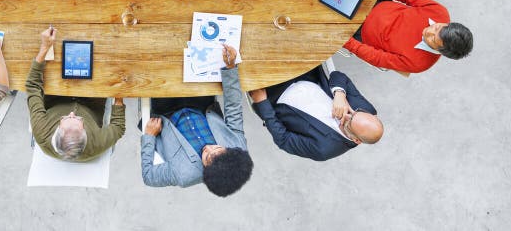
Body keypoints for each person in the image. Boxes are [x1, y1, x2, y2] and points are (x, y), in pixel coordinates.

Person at [141, 44, 253, 196]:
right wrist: (231, 68)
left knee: (157, 59)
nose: (208, 148)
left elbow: (148, 176)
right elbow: (233, 107)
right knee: (192, 53)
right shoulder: (238, 148)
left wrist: (149, 136)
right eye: (217, 148)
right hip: (201, 104)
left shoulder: (183, 175)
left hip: (166, 113)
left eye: (206, 157)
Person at [26, 27, 125, 161]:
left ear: (58, 128)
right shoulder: (96, 144)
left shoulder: (42, 132)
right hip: (93, 96)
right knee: (106, 44)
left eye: (66, 118)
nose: (73, 114)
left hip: (57, 94)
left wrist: (44, 47)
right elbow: (118, 127)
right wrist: (118, 93)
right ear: (85, 134)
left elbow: (32, 86)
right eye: (79, 120)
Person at [249, 64, 383, 161]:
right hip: (305, 71)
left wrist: (262, 103)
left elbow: (284, 140)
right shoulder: (366, 110)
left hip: (273, 93)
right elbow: (339, 76)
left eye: (349, 121)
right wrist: (340, 94)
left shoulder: (324, 149)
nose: (348, 114)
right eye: (355, 112)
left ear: (356, 140)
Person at [344, 0, 473, 73]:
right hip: (376, 1)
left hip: (357, 30)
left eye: (433, 40)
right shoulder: (439, 12)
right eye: (436, 27)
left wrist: (344, 40)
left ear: (440, 51)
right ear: (446, 24)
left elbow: (377, 57)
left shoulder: (419, 63)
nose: (428, 31)